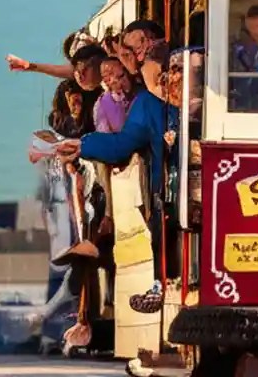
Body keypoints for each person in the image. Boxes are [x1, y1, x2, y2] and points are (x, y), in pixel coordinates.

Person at [53, 76, 178, 315]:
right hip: (166, 186)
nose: (174, 79)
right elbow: (122, 144)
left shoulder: (197, 103)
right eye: (169, 73)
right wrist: (82, 146)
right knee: (160, 223)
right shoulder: (148, 105)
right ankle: (158, 287)